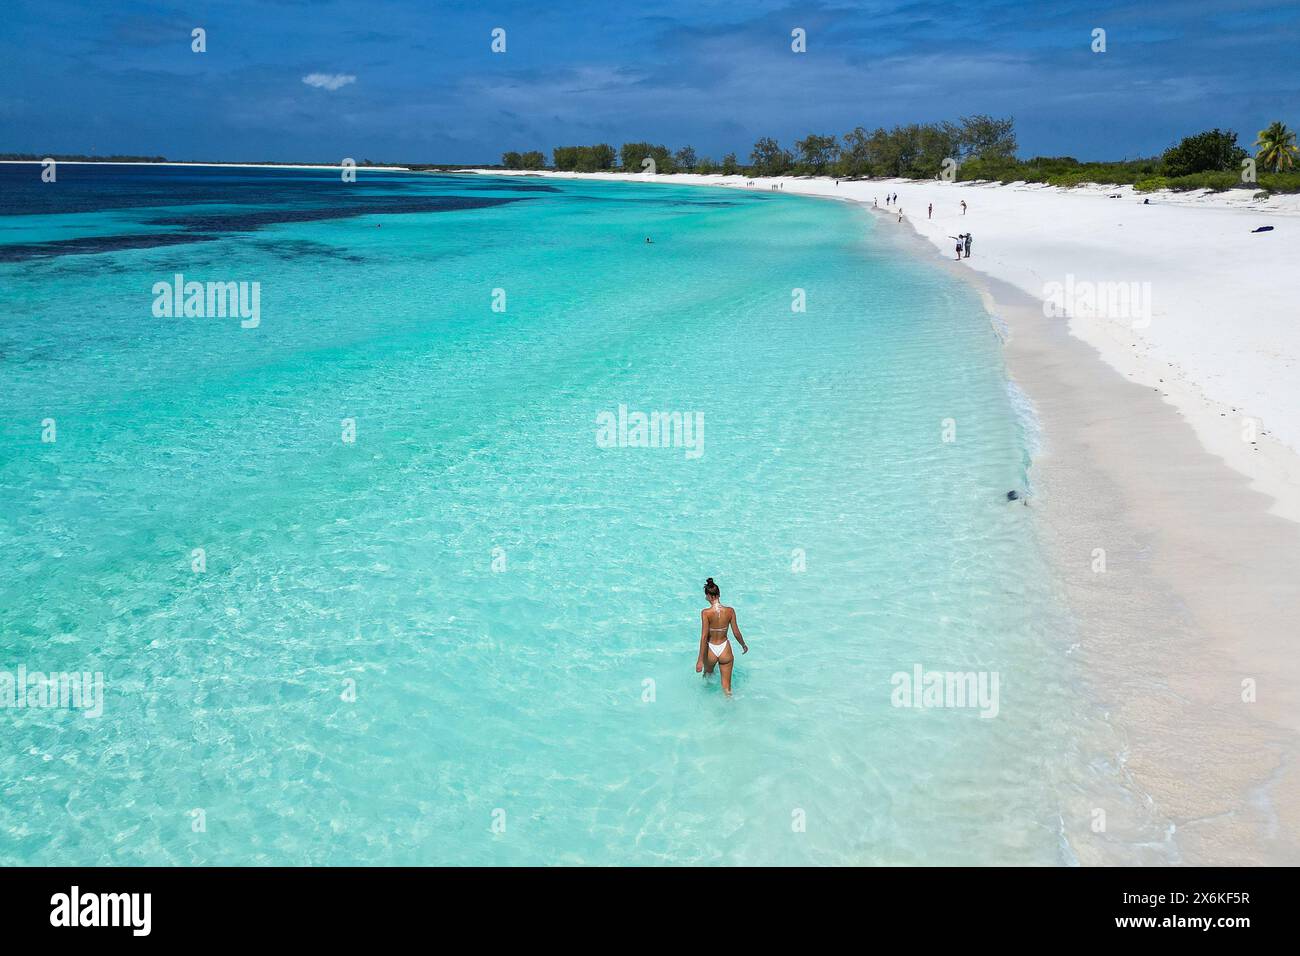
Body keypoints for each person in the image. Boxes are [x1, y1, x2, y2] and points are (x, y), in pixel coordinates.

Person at [695, 577, 748, 696]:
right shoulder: (730, 611)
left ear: (709, 596)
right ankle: (730, 709)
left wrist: (699, 661)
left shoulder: (706, 613)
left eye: (706, 596)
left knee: (707, 682)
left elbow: (704, 637)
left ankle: (706, 707)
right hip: (725, 649)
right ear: (719, 594)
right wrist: (743, 645)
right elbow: (736, 632)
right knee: (727, 689)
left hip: (711, 650)